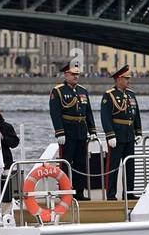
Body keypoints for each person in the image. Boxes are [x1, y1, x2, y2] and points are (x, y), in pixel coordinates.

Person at [48, 61, 97, 199]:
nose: (76, 77)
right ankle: (65, 191)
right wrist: (59, 132)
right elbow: (55, 113)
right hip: (67, 132)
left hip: (81, 131)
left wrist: (92, 130)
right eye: (73, 74)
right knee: (66, 162)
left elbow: (88, 112)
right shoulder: (58, 91)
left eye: (77, 74)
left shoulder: (83, 91)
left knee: (81, 162)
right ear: (66, 75)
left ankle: (79, 192)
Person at [100, 64, 143, 200]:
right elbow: (105, 117)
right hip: (116, 136)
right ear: (118, 79)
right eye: (126, 78)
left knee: (130, 166)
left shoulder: (131, 95)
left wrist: (138, 132)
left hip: (129, 135)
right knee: (113, 167)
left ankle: (129, 193)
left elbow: (136, 115)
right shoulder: (109, 95)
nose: (128, 81)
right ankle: (111, 194)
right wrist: (110, 135)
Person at [0, 101, 21, 204]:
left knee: (5, 189)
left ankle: (6, 211)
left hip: (5, 160)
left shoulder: (6, 126)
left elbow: (15, 142)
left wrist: (3, 138)